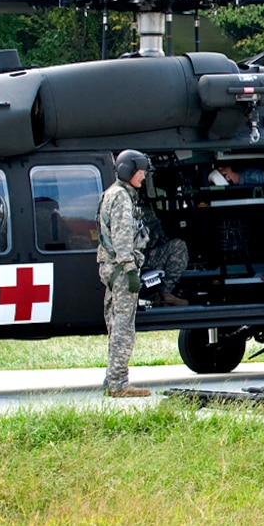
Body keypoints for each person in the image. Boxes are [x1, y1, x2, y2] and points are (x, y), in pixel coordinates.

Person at [96, 149, 153, 398]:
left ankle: (112, 378)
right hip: (121, 269)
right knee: (123, 326)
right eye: (140, 171)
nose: (143, 176)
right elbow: (121, 238)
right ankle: (119, 383)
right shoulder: (120, 197)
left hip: (112, 268)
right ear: (128, 170)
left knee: (114, 321)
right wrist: (130, 269)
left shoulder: (113, 194)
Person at [138, 198, 190, 307]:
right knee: (178, 247)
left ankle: (165, 295)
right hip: (136, 258)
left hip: (143, 255)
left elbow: (159, 235)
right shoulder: (129, 209)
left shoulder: (143, 209)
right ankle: (165, 294)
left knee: (177, 246)